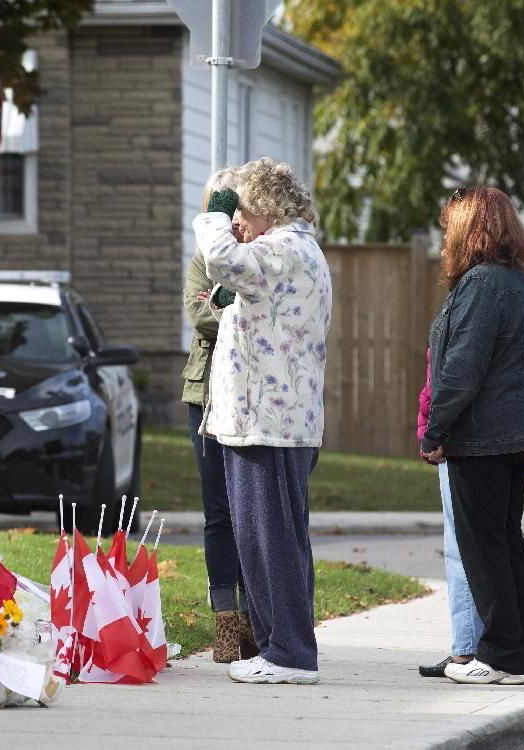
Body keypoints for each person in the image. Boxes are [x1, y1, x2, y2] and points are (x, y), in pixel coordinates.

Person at [192, 157, 332, 685]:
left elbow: (221, 259)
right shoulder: (296, 252)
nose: (235, 224)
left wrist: (214, 212)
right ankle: (282, 646)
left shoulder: (282, 249)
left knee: (269, 541)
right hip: (271, 421)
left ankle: (290, 654)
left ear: (267, 209)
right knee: (272, 541)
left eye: (242, 212)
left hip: (269, 424)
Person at [421, 186, 524, 685]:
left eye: (448, 228)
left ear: (468, 230)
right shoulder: (522, 285)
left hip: (483, 439)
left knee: (483, 546)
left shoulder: (479, 285)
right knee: (506, 542)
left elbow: (461, 370)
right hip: (519, 435)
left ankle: (502, 656)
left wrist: (436, 430)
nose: (444, 239)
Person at [182, 165, 257, 663]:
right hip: (204, 394)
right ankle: (225, 621)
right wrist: (227, 301)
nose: (226, 218)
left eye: (232, 207)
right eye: (217, 207)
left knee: (253, 513)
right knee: (219, 514)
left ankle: (257, 617)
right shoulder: (200, 259)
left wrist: (225, 299)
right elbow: (199, 314)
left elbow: (250, 311)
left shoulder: (255, 256)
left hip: (251, 397)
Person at [416, 348, 485, 678]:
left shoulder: (464, 309)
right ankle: (476, 645)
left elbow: (447, 383)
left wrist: (434, 433)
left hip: (458, 442)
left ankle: (467, 650)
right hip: (470, 442)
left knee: (461, 549)